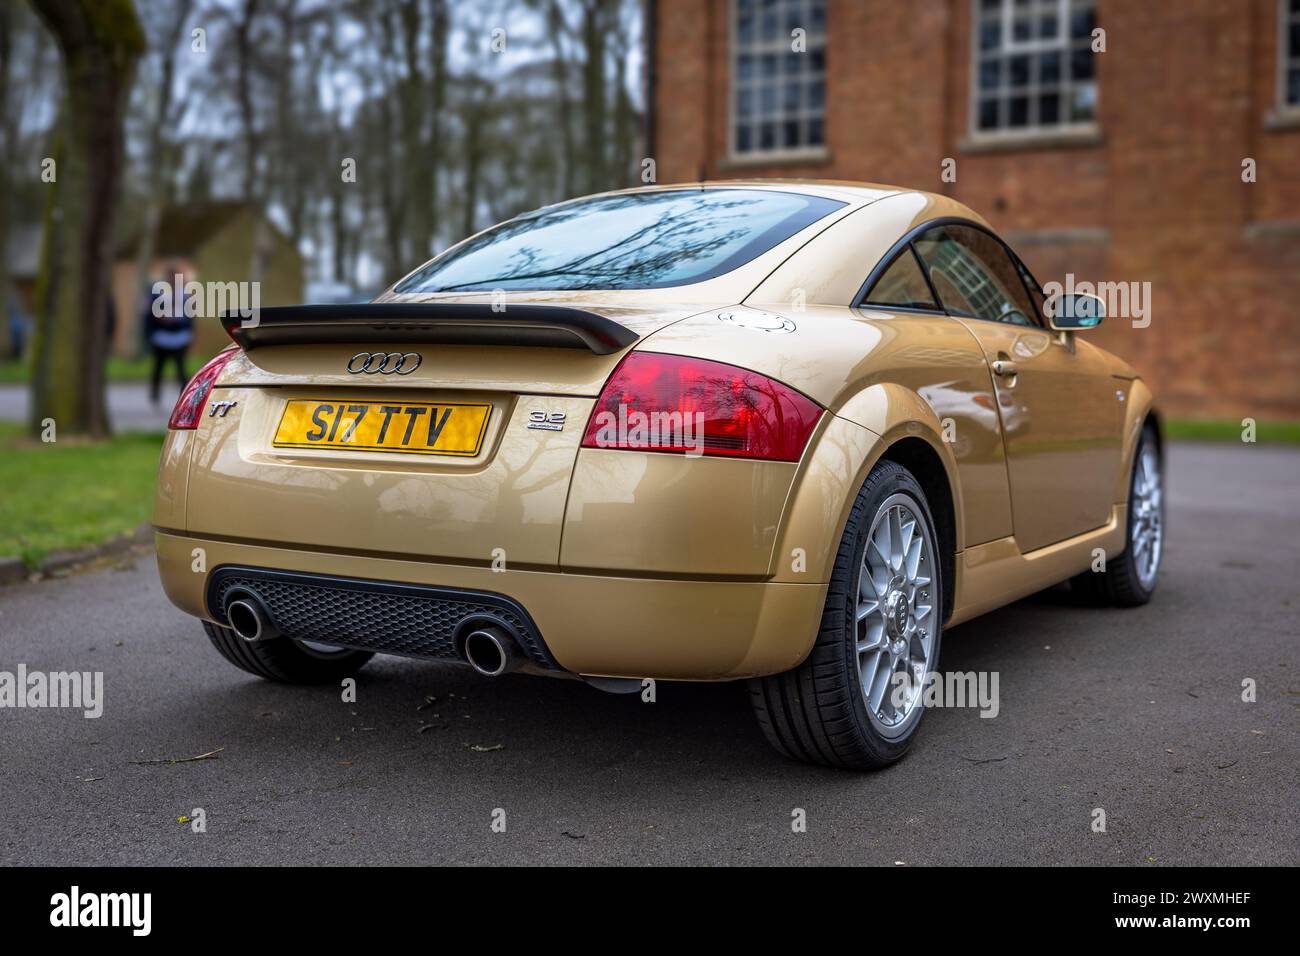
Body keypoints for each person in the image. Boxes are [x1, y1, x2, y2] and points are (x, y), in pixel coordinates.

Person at [143, 264, 193, 405]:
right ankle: (155, 393)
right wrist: (158, 322)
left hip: (179, 337)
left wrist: (180, 323)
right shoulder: (157, 293)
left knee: (181, 369)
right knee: (158, 368)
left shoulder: (185, 294)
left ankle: (185, 395)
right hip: (161, 337)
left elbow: (189, 316)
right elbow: (150, 314)